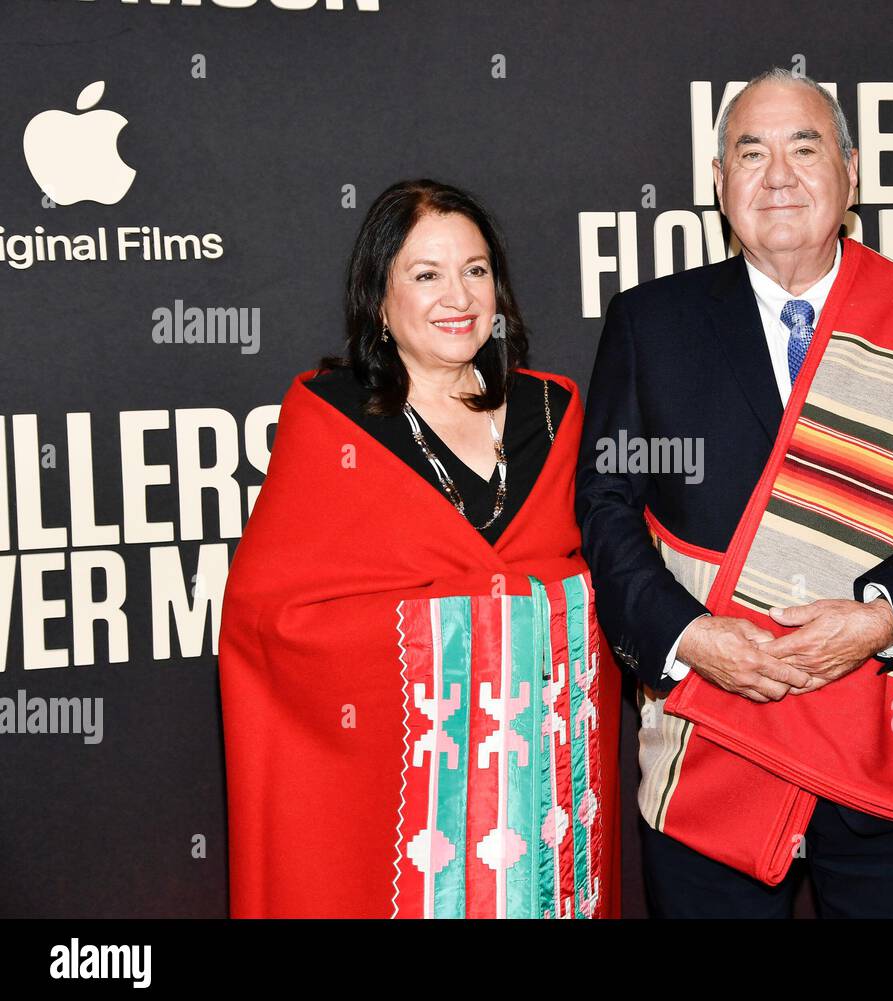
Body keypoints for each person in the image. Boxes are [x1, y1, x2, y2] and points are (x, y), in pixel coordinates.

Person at [576, 69, 893, 918]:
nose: (778, 174)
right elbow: (606, 509)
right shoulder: (651, 322)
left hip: (883, 730)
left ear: (851, 172)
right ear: (720, 184)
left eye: (804, 147)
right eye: (749, 151)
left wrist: (883, 618)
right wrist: (689, 639)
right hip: (712, 733)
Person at [219, 179, 619, 918]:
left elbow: (593, 573)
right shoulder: (331, 415)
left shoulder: (552, 410)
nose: (458, 296)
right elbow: (270, 618)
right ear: (379, 297)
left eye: (475, 270)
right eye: (426, 274)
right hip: (397, 800)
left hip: (538, 799)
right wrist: (480, 623)